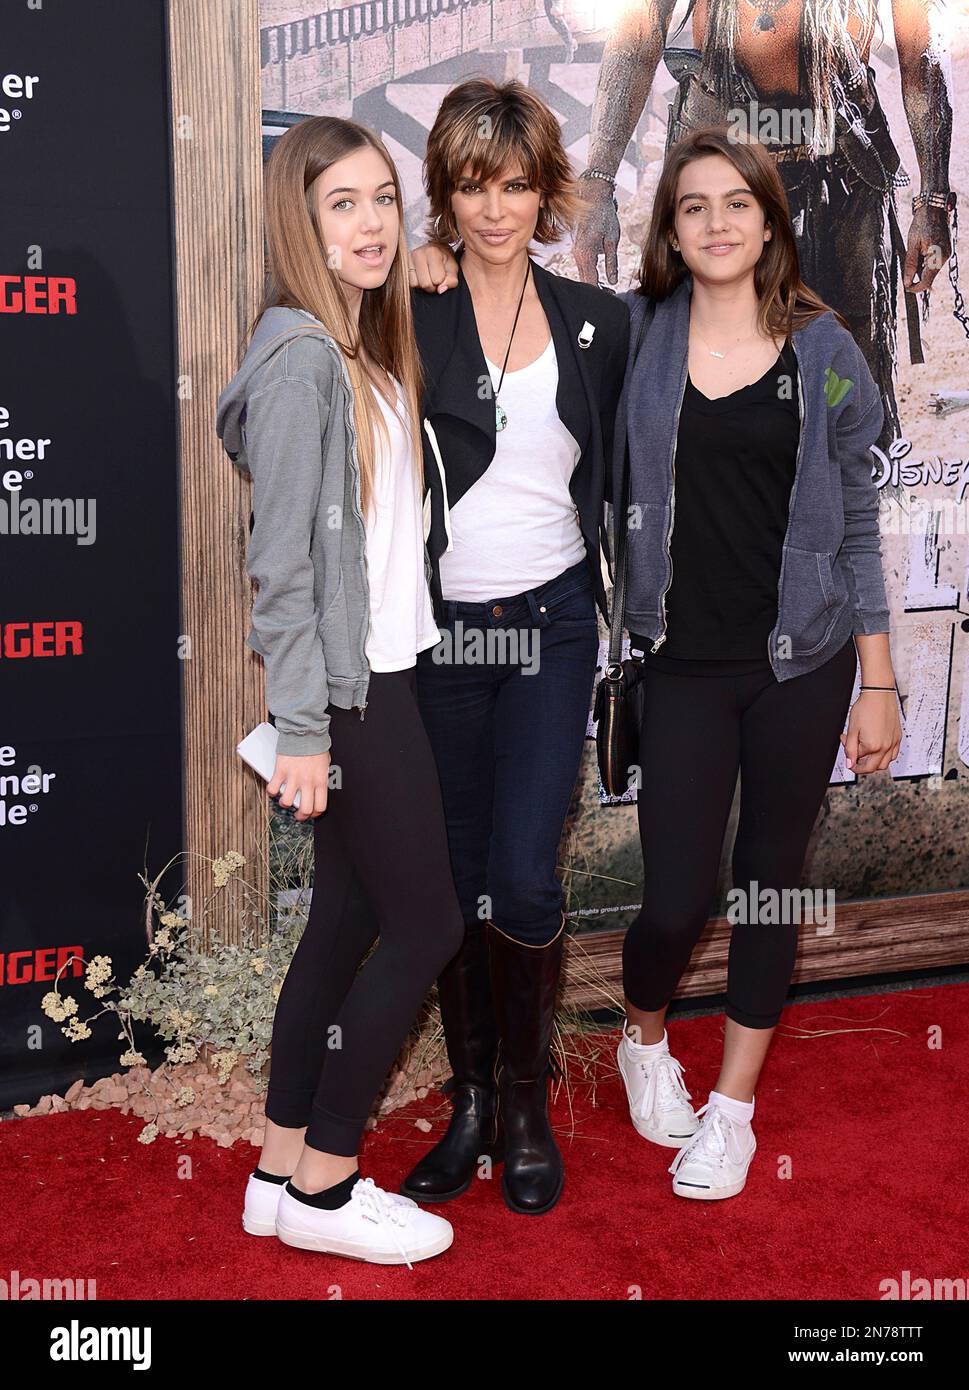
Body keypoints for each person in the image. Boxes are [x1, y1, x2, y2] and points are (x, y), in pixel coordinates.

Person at [611, 125, 901, 1199]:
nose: (718, 222)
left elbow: (860, 519)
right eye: (694, 207)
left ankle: (730, 1107)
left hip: (804, 660)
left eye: (738, 202)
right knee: (676, 897)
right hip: (681, 662)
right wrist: (439, 257)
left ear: (771, 220)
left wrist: (877, 678)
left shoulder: (825, 354)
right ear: (672, 230)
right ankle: (643, 1037)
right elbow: (521, 324)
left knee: (772, 885)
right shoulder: (635, 336)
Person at [216, 115, 464, 1264]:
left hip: (377, 676)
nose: (370, 225)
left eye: (382, 198)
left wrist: (424, 265)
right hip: (356, 695)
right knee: (426, 923)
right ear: (299, 223)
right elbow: (280, 573)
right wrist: (307, 731)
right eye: (341, 206)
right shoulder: (304, 361)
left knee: (344, 923)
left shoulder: (349, 346)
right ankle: (325, 1184)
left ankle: (275, 1166)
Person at [399, 78, 629, 1216]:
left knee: (525, 875)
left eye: (516, 185)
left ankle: (528, 1103)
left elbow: (637, 473)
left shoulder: (601, 318)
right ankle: (472, 1103)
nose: (494, 209)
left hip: (548, 623)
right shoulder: (409, 303)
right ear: (445, 191)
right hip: (438, 635)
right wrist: (401, 270)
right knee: (449, 881)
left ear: (546, 191)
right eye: (473, 186)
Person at [573, 0, 956, 454]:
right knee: (710, 396)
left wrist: (934, 199)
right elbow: (637, 36)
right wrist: (597, 184)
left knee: (847, 402)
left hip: (841, 182)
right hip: (721, 180)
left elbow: (922, 55)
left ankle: (846, 514)